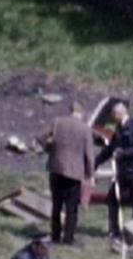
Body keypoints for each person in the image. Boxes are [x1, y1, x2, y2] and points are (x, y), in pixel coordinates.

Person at [38, 102, 96, 244]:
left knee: (56, 204)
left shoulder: (57, 122)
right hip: (74, 172)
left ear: (71, 111)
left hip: (56, 168)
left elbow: (40, 136)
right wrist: (90, 174)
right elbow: (89, 155)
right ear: (82, 113)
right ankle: (69, 238)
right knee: (71, 207)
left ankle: (55, 235)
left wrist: (49, 148)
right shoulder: (85, 129)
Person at [94, 102, 133, 239]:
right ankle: (115, 232)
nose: (112, 118)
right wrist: (95, 162)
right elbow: (111, 149)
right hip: (124, 173)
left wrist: (124, 153)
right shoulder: (119, 128)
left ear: (119, 114)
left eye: (113, 115)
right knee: (112, 199)